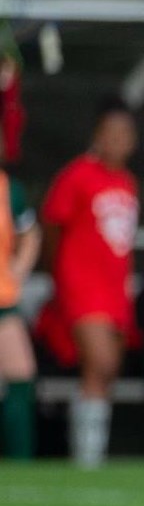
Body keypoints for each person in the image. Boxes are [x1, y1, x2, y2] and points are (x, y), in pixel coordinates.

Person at [36, 98, 139, 468]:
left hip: (115, 289)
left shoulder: (127, 181)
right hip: (82, 285)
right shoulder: (77, 175)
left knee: (107, 371)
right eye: (110, 133)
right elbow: (52, 224)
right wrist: (58, 274)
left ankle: (92, 451)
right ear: (97, 136)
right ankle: (87, 456)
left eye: (124, 134)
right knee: (100, 363)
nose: (117, 140)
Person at [0, 167, 39, 458]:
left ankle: (19, 465)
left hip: (3, 299)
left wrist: (20, 268)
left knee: (21, 373)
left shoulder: (8, 188)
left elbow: (30, 233)